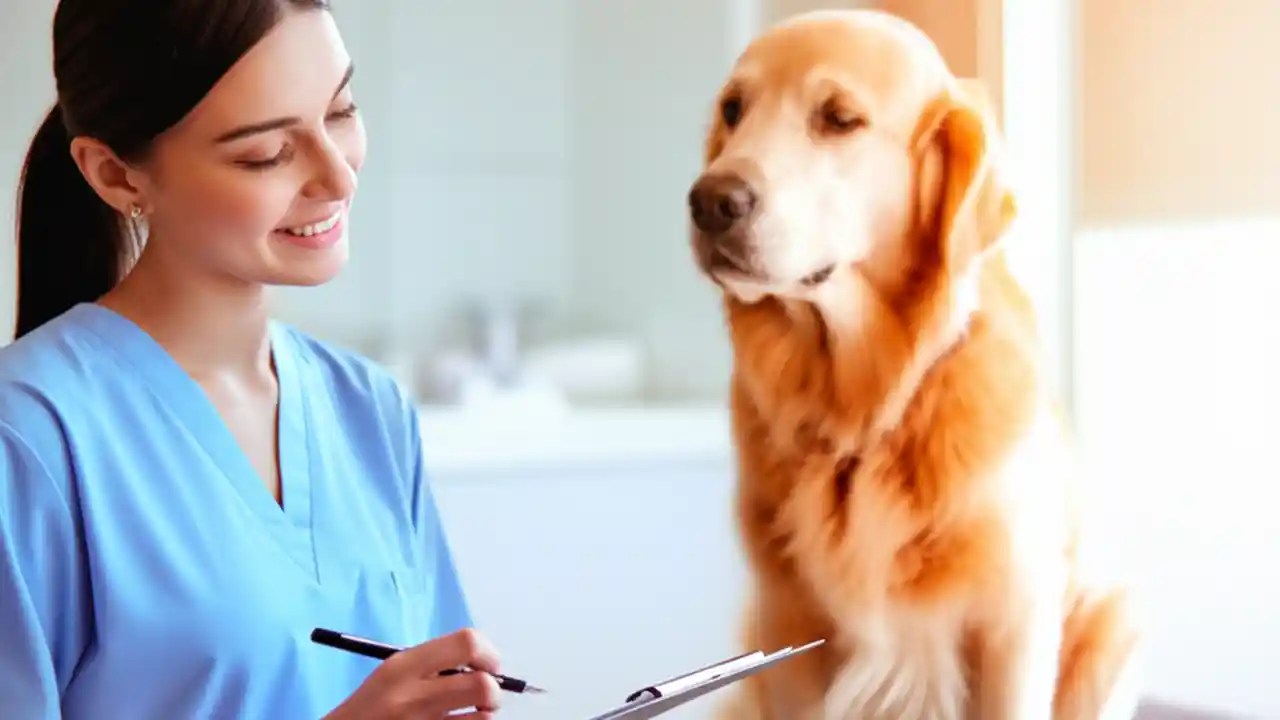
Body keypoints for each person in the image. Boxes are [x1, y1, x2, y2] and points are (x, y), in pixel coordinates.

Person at [0, 1, 506, 718]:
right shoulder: (27, 440)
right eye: (266, 153)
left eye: (341, 112)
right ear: (116, 176)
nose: (338, 177)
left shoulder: (369, 407)